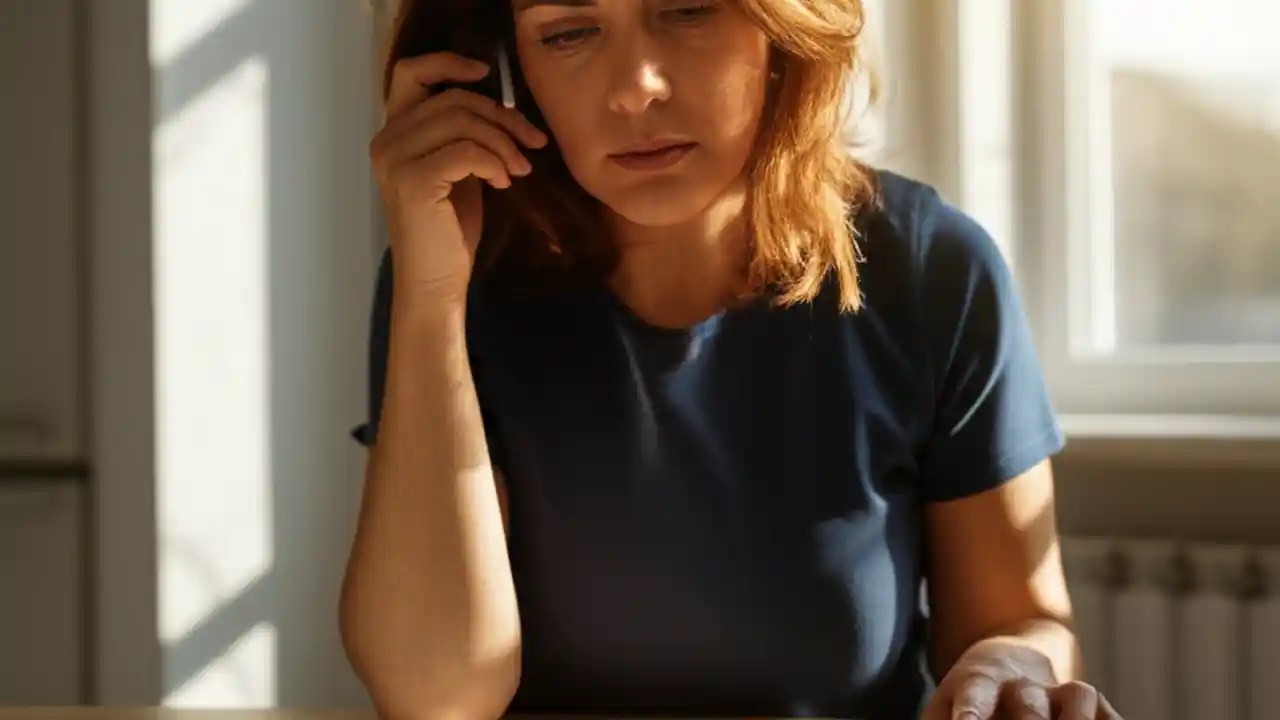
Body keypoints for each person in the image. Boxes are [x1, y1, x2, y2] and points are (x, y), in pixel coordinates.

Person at [339, 0, 1124, 718]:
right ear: (503, 68)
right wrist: (432, 295)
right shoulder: (454, 281)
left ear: (782, 26)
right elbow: (435, 698)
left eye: (687, 9)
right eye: (568, 32)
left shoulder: (932, 268)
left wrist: (1010, 669)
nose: (636, 89)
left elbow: (1020, 620)